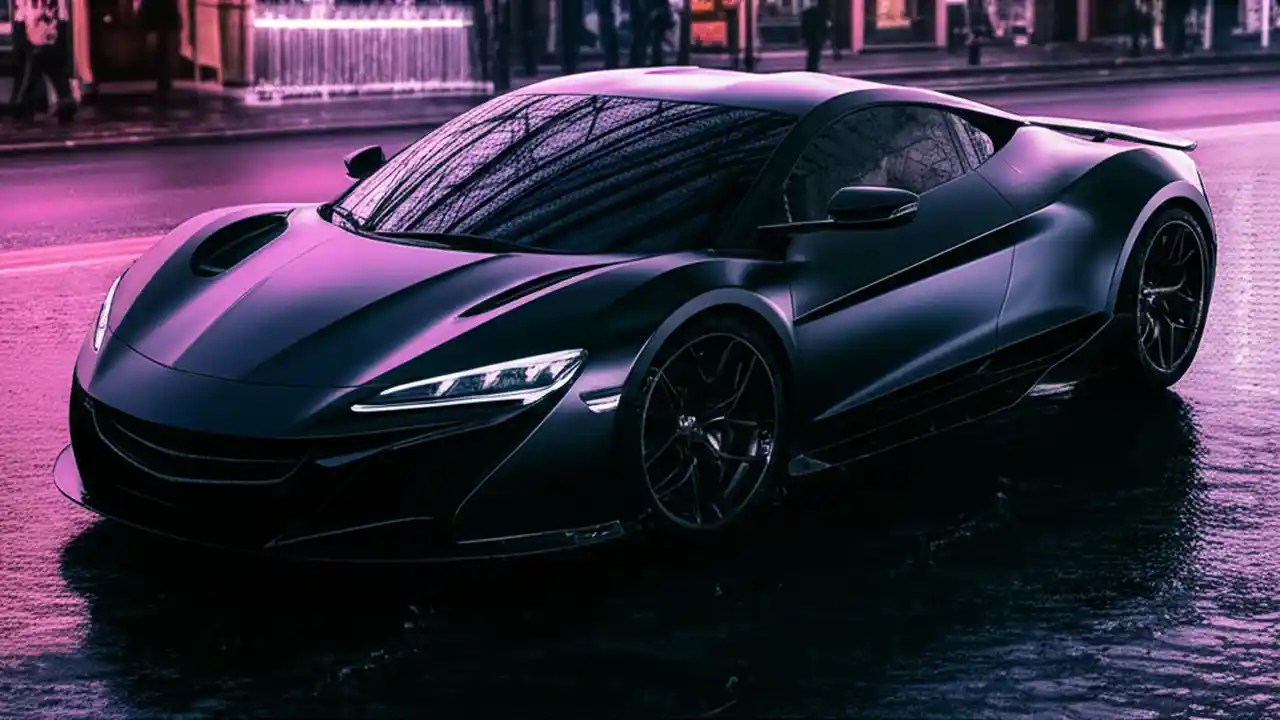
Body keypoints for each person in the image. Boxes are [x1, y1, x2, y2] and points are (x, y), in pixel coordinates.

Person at [12, 0, 77, 123]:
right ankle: (64, 102)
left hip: (41, 32)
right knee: (52, 72)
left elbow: (21, 13)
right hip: (40, 31)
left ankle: (24, 107)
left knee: (38, 71)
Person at [137, 0, 182, 100]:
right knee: (162, 49)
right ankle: (164, 80)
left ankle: (162, 80)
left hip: (155, 15)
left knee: (159, 49)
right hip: (162, 15)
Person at [799, 0, 827, 72]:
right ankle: (814, 67)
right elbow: (823, 26)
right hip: (816, 37)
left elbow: (804, 26)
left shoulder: (807, 13)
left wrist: (803, 37)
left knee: (812, 53)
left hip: (811, 37)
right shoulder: (820, 13)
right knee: (815, 53)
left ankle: (811, 67)